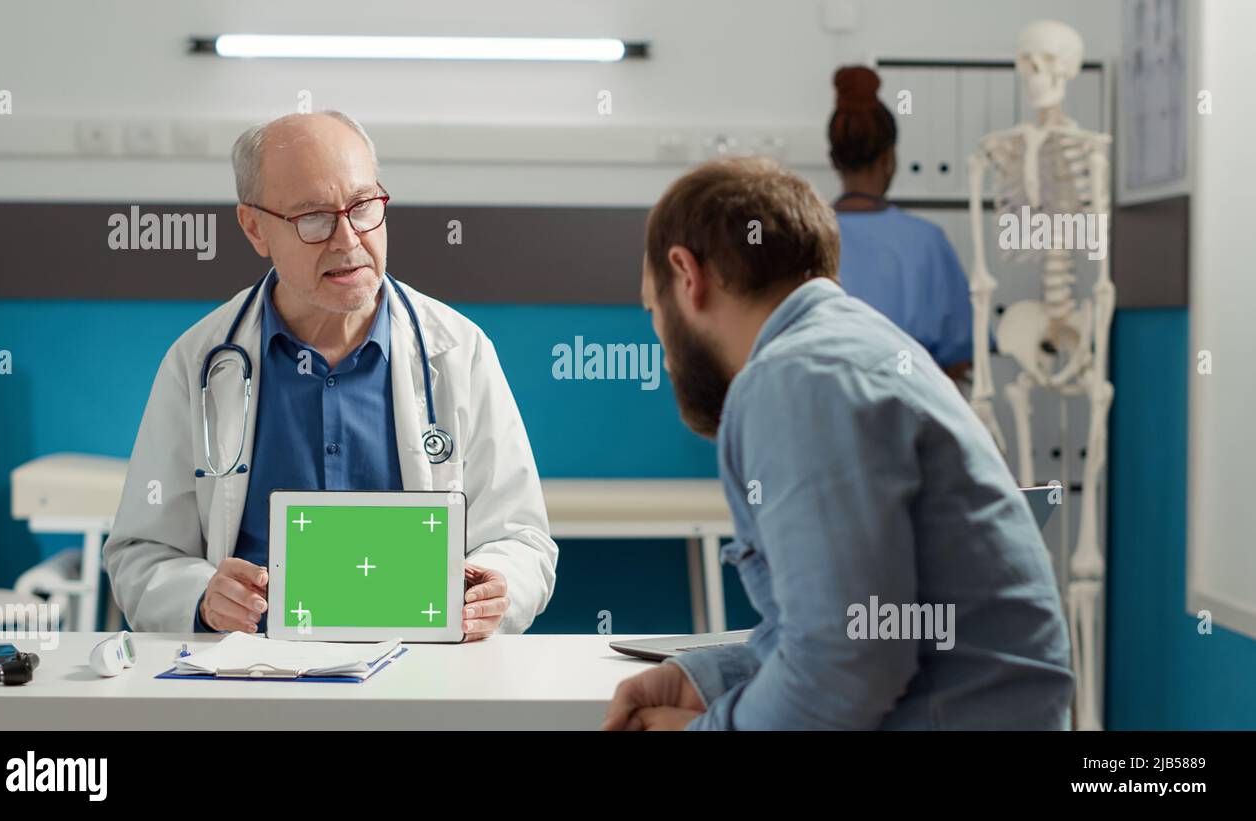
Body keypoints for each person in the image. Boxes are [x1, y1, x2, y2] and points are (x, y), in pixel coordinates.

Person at [603, 156, 1073, 730]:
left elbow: (841, 670)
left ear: (686, 275)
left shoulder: (797, 377)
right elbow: (857, 629)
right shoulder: (861, 348)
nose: (665, 348)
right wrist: (706, 679)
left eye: (654, 308)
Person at [103, 111, 557, 640]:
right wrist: (202, 597)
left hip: (422, 671)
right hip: (253, 675)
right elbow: (141, 553)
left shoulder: (459, 352)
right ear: (255, 228)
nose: (347, 240)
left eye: (363, 207)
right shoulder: (200, 362)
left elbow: (523, 539)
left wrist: (499, 588)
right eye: (313, 217)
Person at [829, 65, 975, 382]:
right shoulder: (926, 242)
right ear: (890, 158)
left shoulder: (799, 239)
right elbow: (959, 357)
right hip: (908, 416)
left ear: (834, 159)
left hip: (819, 419)